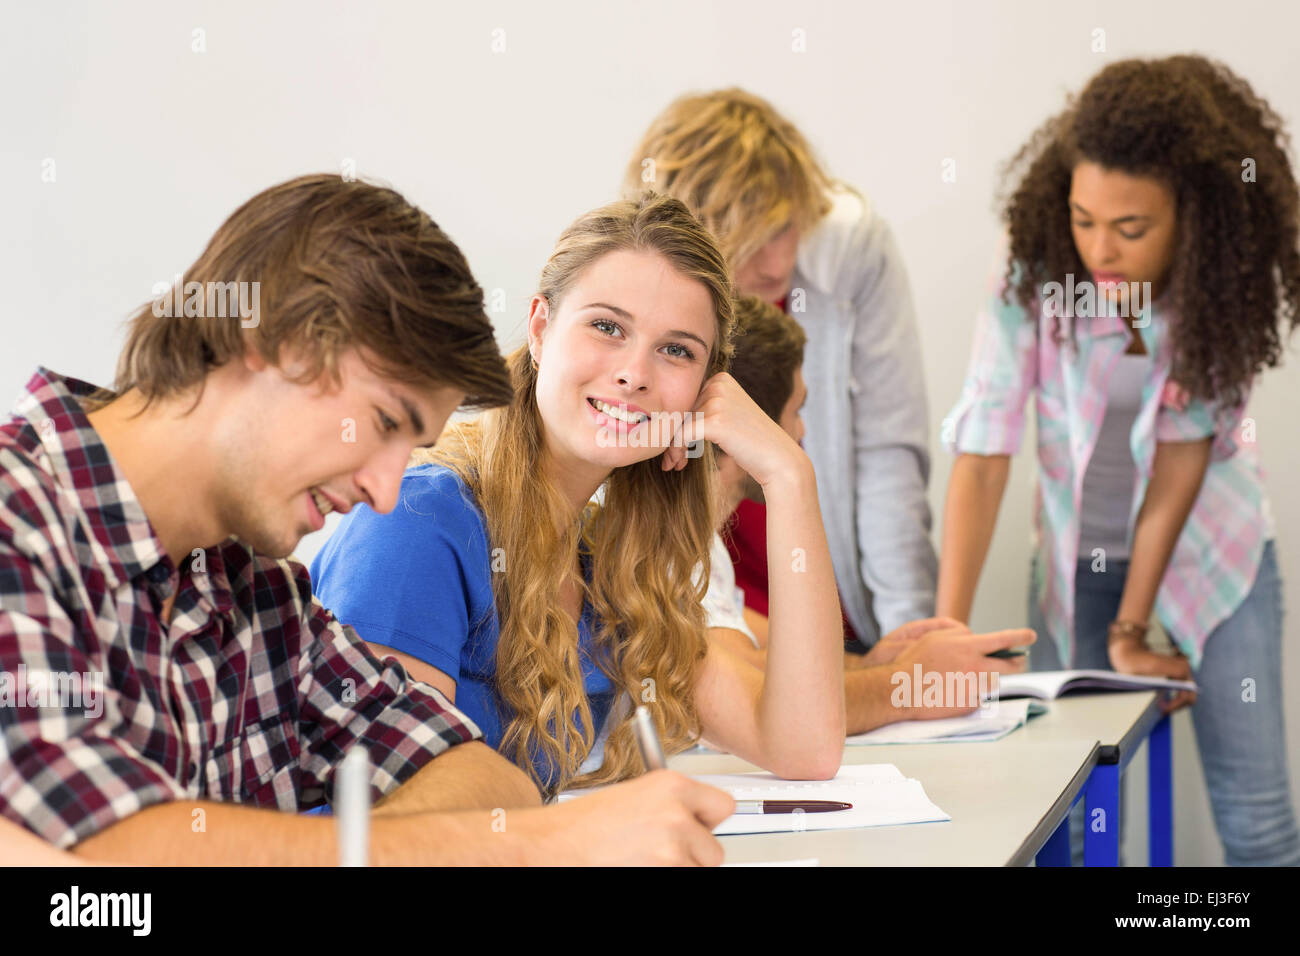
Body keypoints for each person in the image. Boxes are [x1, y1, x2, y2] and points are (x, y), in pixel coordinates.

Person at [0, 174, 733, 865]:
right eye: (383, 422)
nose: (386, 493)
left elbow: (485, 780)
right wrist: (532, 845)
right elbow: (91, 849)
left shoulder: (256, 589)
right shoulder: (18, 523)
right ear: (270, 341)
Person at [311, 193, 846, 797]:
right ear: (540, 329)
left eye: (676, 350)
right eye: (607, 326)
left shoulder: (606, 559)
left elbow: (804, 747)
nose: (634, 372)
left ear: (703, 389)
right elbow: (397, 808)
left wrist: (789, 476)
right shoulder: (418, 521)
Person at [936, 56, 1300, 866]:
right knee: (1084, 819)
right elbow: (987, 445)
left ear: (1191, 219)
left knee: (1260, 824)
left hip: (1214, 561)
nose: (1100, 248)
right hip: (1078, 561)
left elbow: (1182, 452)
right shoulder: (1032, 261)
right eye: (1083, 218)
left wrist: (1136, 628)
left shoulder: (1222, 279)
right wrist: (948, 630)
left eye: (1130, 229)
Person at [623, 87, 936, 654]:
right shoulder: (641, 287)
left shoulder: (852, 251)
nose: (777, 264)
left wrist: (905, 637)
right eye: (750, 239)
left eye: (784, 229)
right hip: (712, 595)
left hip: (823, 583)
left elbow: (888, 453)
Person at [706, 295, 1034, 732]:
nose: (801, 433)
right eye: (796, 411)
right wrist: (909, 684)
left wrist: (870, 664)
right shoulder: (666, 543)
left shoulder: (707, 553)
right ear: (753, 423)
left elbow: (754, 662)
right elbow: (760, 697)